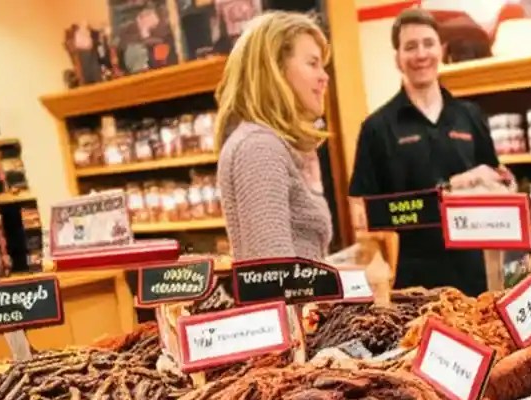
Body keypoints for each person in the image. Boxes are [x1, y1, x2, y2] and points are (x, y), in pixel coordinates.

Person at [349, 8, 503, 296]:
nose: (421, 54)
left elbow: (493, 181)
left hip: (473, 277)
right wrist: (446, 191)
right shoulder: (377, 128)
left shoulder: (470, 116)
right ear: (397, 58)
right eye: (410, 46)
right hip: (411, 282)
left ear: (441, 50)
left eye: (428, 44)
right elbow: (364, 212)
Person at [215, 11, 332, 261]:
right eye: (312, 64)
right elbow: (273, 272)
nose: (325, 77)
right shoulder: (259, 148)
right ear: (276, 70)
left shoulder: (272, 144)